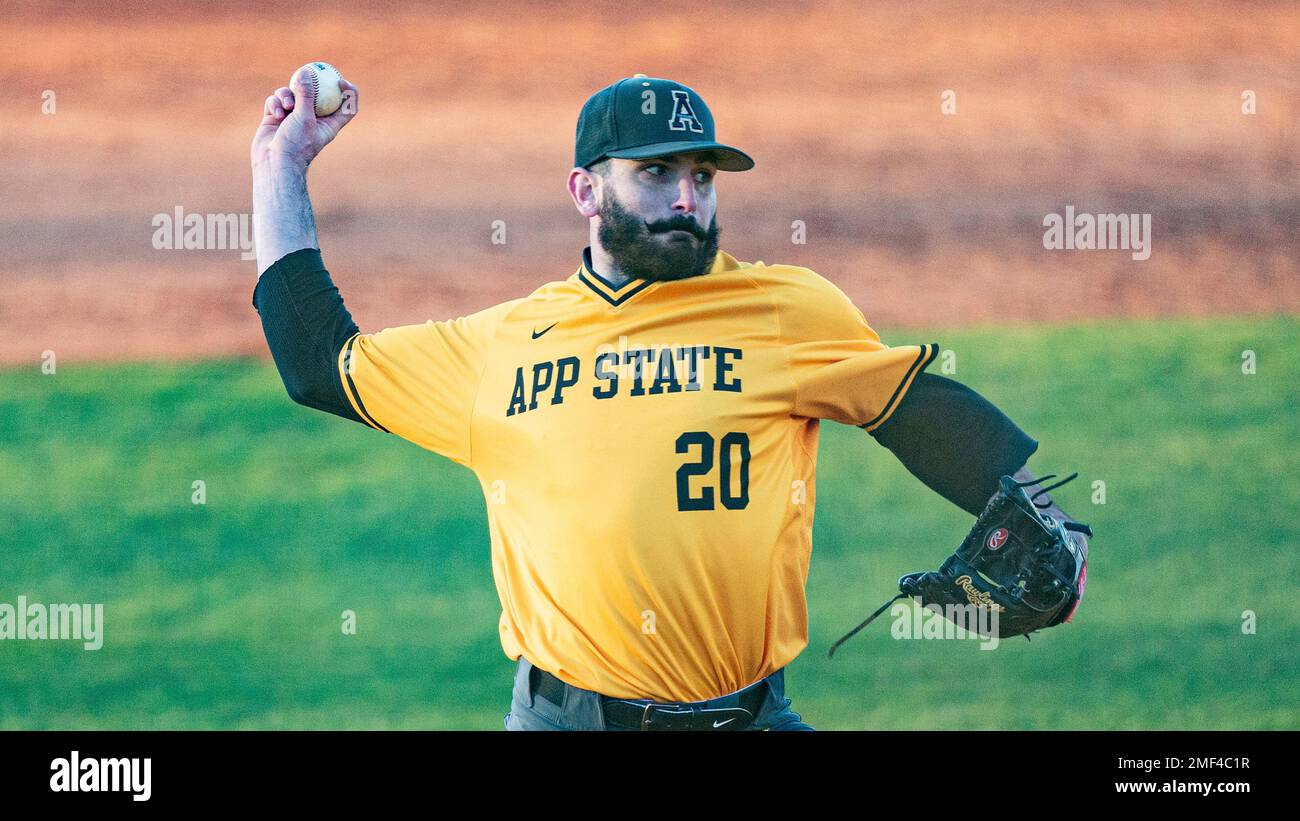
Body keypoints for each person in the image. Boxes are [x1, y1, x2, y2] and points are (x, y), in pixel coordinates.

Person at [250, 73, 1087, 731]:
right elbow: (318, 362)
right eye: (655, 173)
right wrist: (279, 165)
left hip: (755, 714)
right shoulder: (503, 346)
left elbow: (914, 412)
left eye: (700, 174)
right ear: (585, 191)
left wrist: (1045, 524)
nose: (686, 198)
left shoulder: (786, 310)